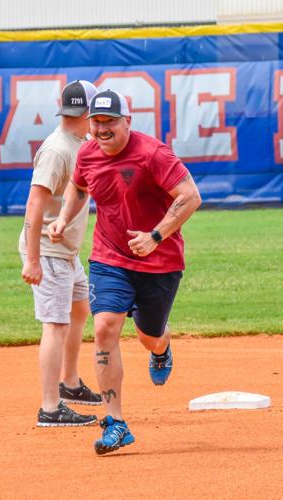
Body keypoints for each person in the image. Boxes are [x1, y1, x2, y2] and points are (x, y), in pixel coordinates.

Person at [49, 89, 202, 454]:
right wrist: (63, 218)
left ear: (127, 122)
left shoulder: (153, 154)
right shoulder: (86, 153)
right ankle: (115, 422)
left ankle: (161, 348)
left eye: (110, 122)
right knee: (104, 328)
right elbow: (77, 187)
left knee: (149, 335)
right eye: (96, 122)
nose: (102, 129)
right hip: (110, 258)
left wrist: (155, 236)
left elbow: (191, 196)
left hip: (159, 261)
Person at [20, 80, 103, 427]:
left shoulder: (80, 144)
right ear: (86, 112)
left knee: (80, 309)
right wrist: (33, 259)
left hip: (66, 252)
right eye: (96, 112)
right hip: (48, 251)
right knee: (55, 324)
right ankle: (50, 408)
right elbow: (34, 205)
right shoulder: (58, 150)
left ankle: (69, 384)